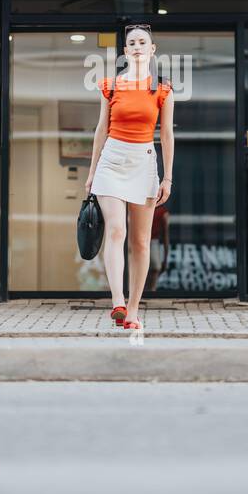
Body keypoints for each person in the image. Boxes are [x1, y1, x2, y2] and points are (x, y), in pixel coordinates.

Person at [84, 24, 174, 330]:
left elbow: (167, 136)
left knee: (140, 242)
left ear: (152, 50)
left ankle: (133, 310)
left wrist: (168, 178)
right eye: (132, 43)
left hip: (144, 162)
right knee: (117, 231)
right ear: (125, 51)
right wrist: (92, 171)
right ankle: (118, 301)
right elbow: (101, 130)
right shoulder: (109, 86)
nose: (137, 46)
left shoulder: (162, 88)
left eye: (142, 42)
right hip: (111, 161)